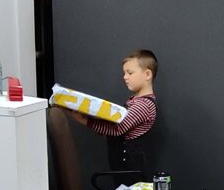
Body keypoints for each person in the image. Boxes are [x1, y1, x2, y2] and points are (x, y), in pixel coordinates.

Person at [67, 49, 158, 179]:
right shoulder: (135, 101)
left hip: (131, 172)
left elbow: (117, 129)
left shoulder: (143, 105)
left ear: (147, 74)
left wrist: (84, 120)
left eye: (130, 73)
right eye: (124, 73)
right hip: (122, 169)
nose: (125, 77)